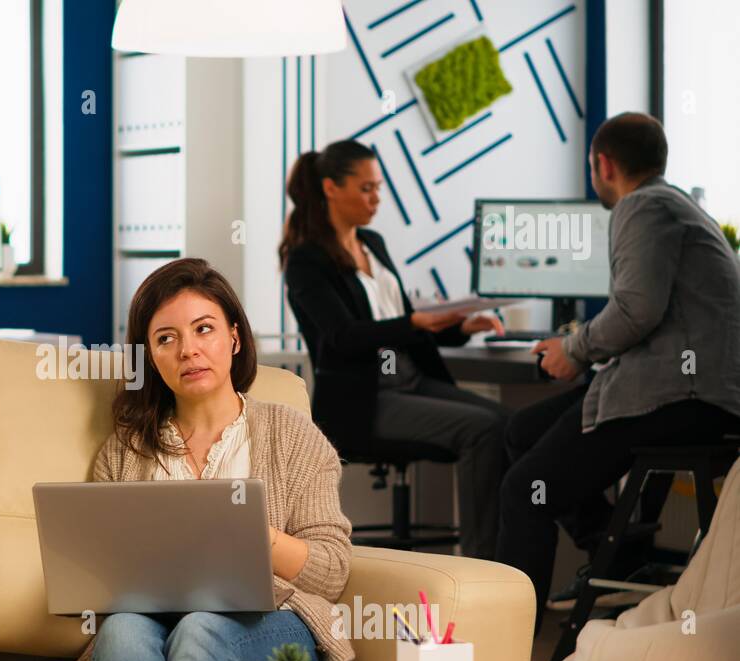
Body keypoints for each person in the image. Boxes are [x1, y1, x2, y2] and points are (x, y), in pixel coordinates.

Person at [70, 258, 356, 661]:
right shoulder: (124, 452)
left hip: (273, 622)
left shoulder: (291, 434)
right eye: (167, 339)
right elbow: (100, 580)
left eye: (204, 329)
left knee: (199, 629)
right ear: (151, 357)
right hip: (152, 619)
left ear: (234, 338)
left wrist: (254, 534)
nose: (188, 350)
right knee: (123, 633)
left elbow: (331, 573)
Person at [500, 113, 740, 622]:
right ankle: (624, 554)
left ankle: (509, 649)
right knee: (522, 431)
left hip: (682, 398)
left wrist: (576, 348)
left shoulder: (642, 206)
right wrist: (578, 346)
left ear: (603, 164)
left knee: (524, 490)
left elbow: (636, 310)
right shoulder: (679, 207)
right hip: (703, 396)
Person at [281, 139, 509, 559]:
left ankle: (535, 552)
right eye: (366, 188)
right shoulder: (306, 261)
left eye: (378, 187)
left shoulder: (373, 242)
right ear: (331, 188)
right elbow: (344, 337)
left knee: (509, 423)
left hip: (411, 379)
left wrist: (460, 327)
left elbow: (401, 323)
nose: (376, 198)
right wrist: (414, 321)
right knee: (486, 430)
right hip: (366, 398)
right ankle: (484, 564)